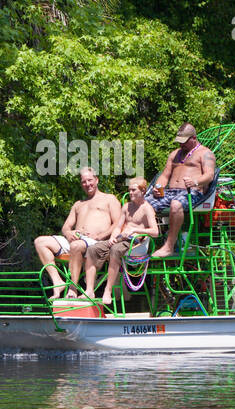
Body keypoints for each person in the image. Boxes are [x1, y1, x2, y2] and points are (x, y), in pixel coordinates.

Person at [33, 166, 121, 299]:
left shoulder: (109, 199)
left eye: (90, 180)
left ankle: (72, 289)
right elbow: (66, 227)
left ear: (96, 180)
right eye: (84, 182)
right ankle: (57, 282)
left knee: (76, 246)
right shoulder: (78, 204)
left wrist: (100, 236)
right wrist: (69, 233)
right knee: (40, 241)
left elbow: (118, 224)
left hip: (96, 243)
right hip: (76, 241)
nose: (87, 184)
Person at [146, 122, 215, 258]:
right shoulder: (175, 154)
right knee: (143, 204)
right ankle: (143, 241)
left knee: (176, 204)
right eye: (179, 141)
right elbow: (165, 175)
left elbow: (209, 175)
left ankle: (169, 246)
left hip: (192, 193)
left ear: (193, 138)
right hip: (170, 192)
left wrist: (195, 181)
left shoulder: (205, 153)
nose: (181, 145)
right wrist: (158, 188)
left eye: (184, 142)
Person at [86, 177, 160, 303]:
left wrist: (136, 231)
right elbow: (118, 227)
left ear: (142, 191)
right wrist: (113, 237)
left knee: (115, 250)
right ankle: (89, 289)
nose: (130, 193)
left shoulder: (147, 208)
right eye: (129, 190)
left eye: (133, 190)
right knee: (93, 249)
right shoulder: (126, 207)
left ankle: (108, 291)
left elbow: (155, 232)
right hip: (122, 240)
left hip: (137, 244)